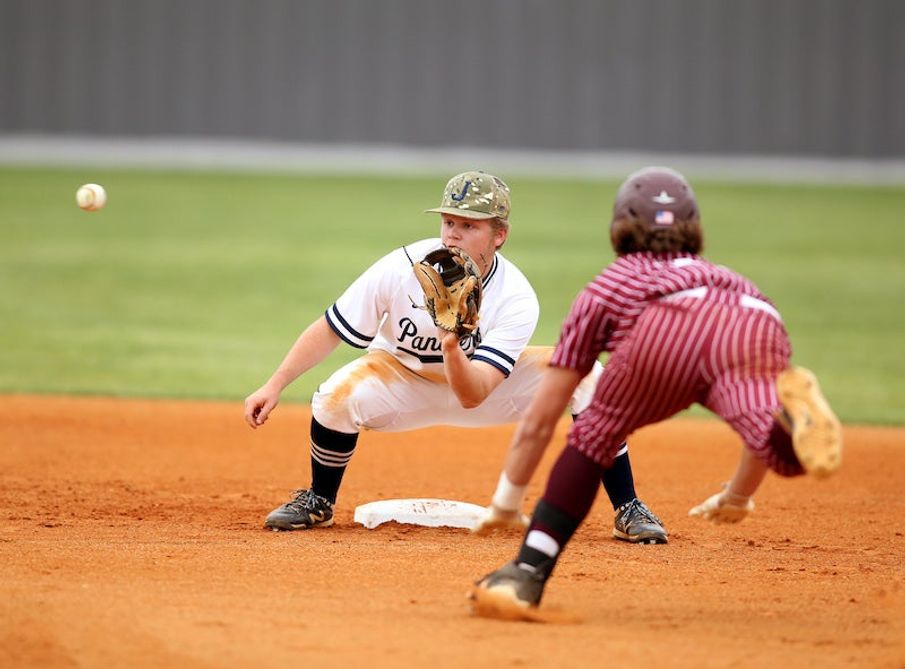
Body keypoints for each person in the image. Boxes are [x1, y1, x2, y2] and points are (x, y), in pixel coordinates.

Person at [469, 166, 843, 619]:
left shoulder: (613, 281)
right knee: (773, 438)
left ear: (620, 226)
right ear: (693, 227)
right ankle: (789, 423)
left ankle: (526, 573)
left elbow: (541, 419)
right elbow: (752, 447)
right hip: (750, 320)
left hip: (662, 327)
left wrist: (508, 502)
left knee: (595, 438)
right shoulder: (737, 280)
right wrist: (737, 497)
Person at [243, 170, 668, 544]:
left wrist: (450, 341)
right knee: (334, 396)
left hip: (487, 392)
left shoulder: (515, 296)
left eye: (469, 225)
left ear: (499, 235)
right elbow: (332, 327)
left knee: (587, 374)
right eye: (449, 222)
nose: (452, 235)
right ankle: (320, 499)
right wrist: (275, 383)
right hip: (403, 383)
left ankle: (628, 507)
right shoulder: (402, 266)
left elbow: (473, 395)